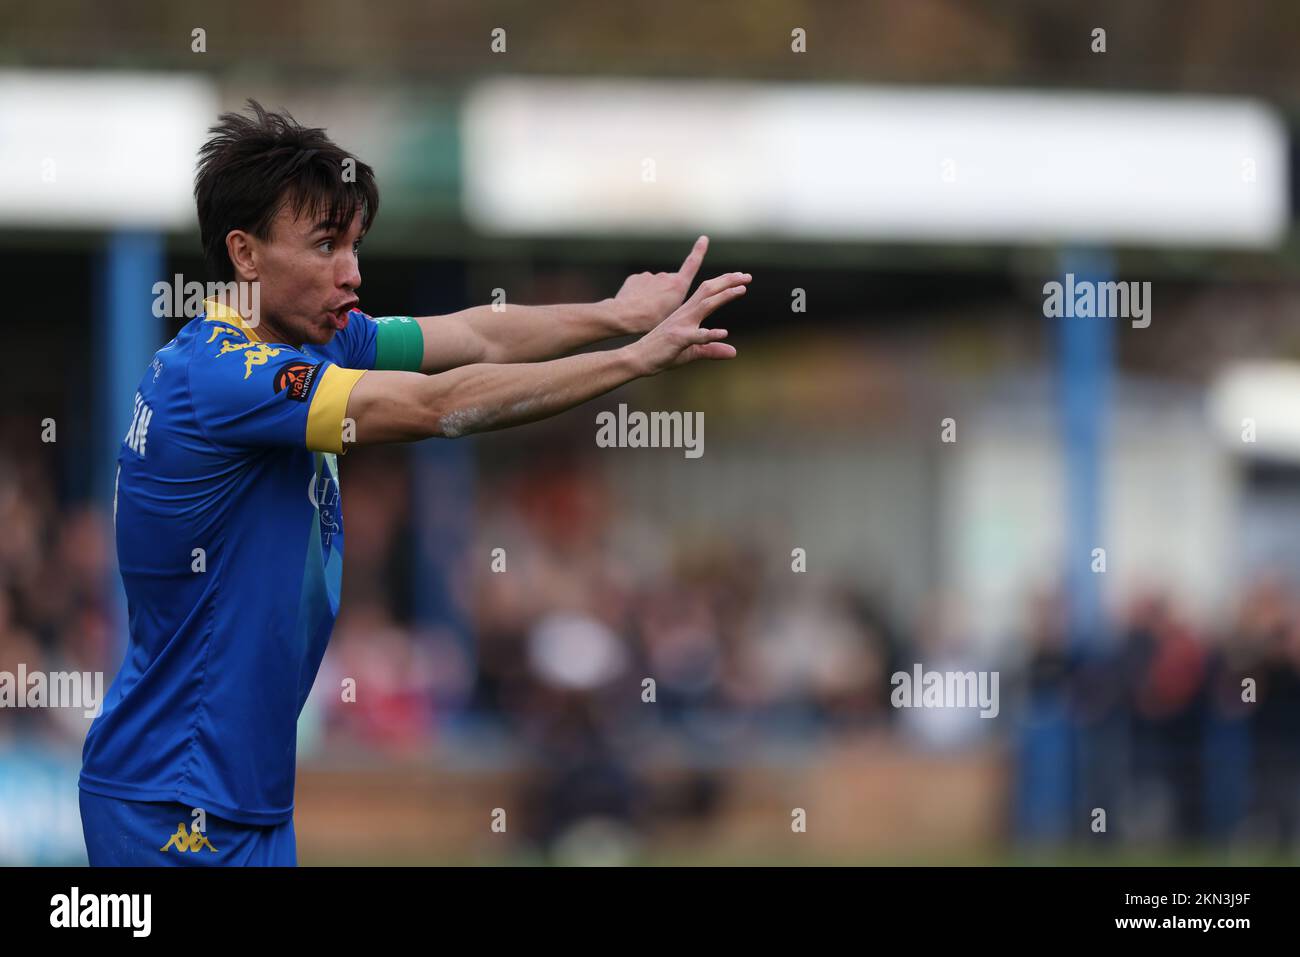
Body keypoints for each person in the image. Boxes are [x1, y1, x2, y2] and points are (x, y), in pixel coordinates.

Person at [78, 99, 750, 865]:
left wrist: (615, 314)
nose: (352, 272)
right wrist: (632, 360)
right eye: (325, 245)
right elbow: (437, 406)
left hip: (242, 795)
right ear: (246, 254)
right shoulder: (222, 376)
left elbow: (476, 334)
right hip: (171, 799)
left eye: (354, 245)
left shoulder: (314, 343)